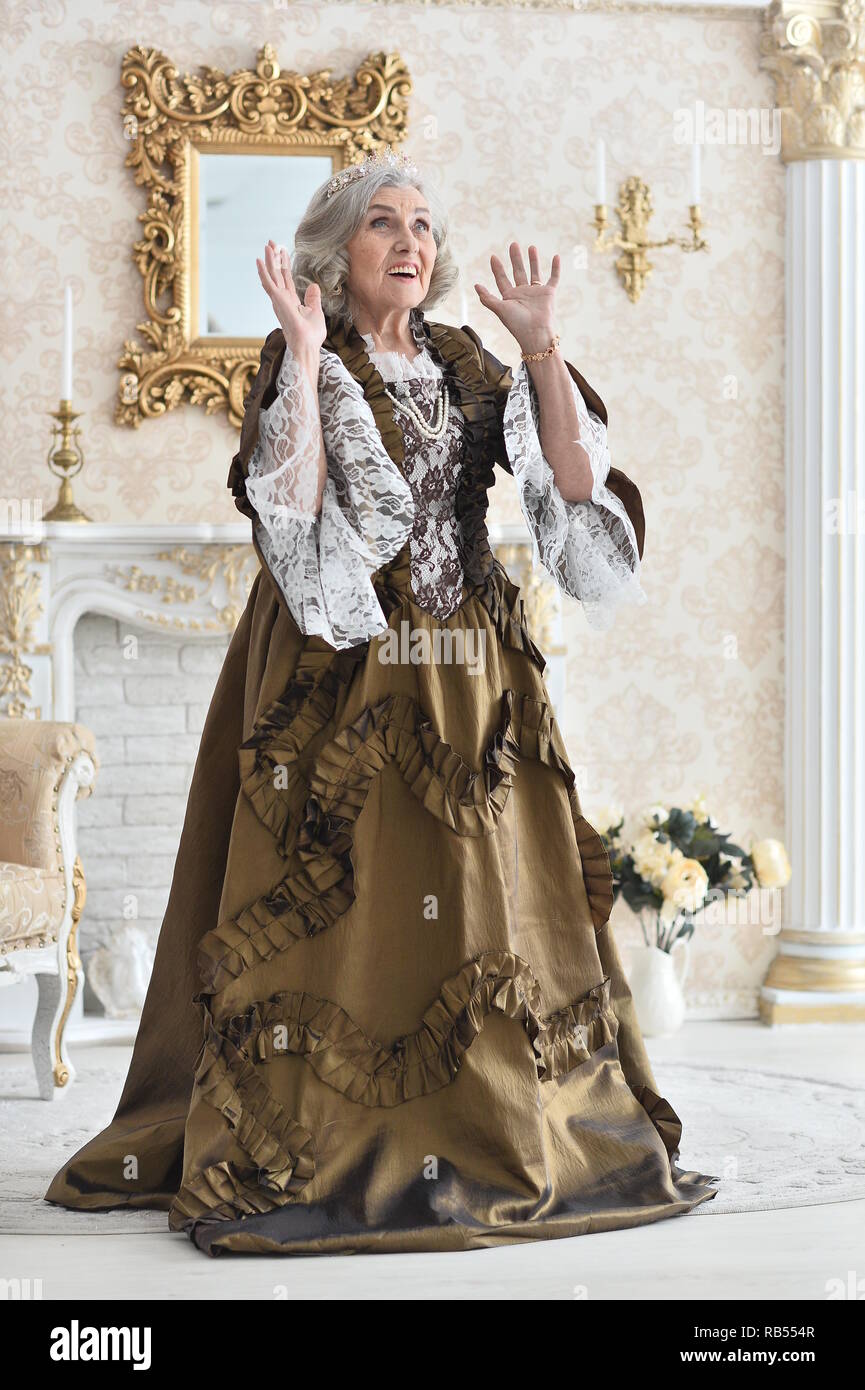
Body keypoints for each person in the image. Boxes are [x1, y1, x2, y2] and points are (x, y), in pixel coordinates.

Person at [46, 147, 716, 1255]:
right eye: (382, 225)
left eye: (421, 225)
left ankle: (499, 1117)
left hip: (471, 667)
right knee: (350, 894)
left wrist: (541, 344)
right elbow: (298, 513)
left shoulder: (463, 356)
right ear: (337, 253)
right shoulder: (299, 352)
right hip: (337, 666)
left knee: (487, 887)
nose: (411, 242)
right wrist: (307, 359)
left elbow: (574, 481)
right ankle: (340, 1136)